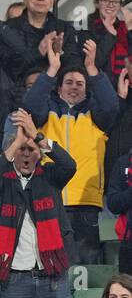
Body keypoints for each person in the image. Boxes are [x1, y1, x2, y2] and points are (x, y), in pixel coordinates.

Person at [22, 35, 118, 266]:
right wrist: (52, 68)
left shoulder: (96, 115)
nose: (74, 87)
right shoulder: (47, 112)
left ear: (87, 88)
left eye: (79, 83)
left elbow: (111, 105)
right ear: (59, 87)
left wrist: (92, 69)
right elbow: (30, 104)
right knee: (52, 263)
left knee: (85, 267)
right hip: (50, 199)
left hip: (86, 203)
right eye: (69, 82)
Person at [0, 112, 76, 298]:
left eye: (31, 150)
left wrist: (38, 136)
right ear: (12, 152)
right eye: (20, 150)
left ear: (40, 155)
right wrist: (17, 141)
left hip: (53, 276)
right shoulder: (1, 183)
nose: (25, 155)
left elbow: (70, 166)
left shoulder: (50, 176)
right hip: (15, 279)